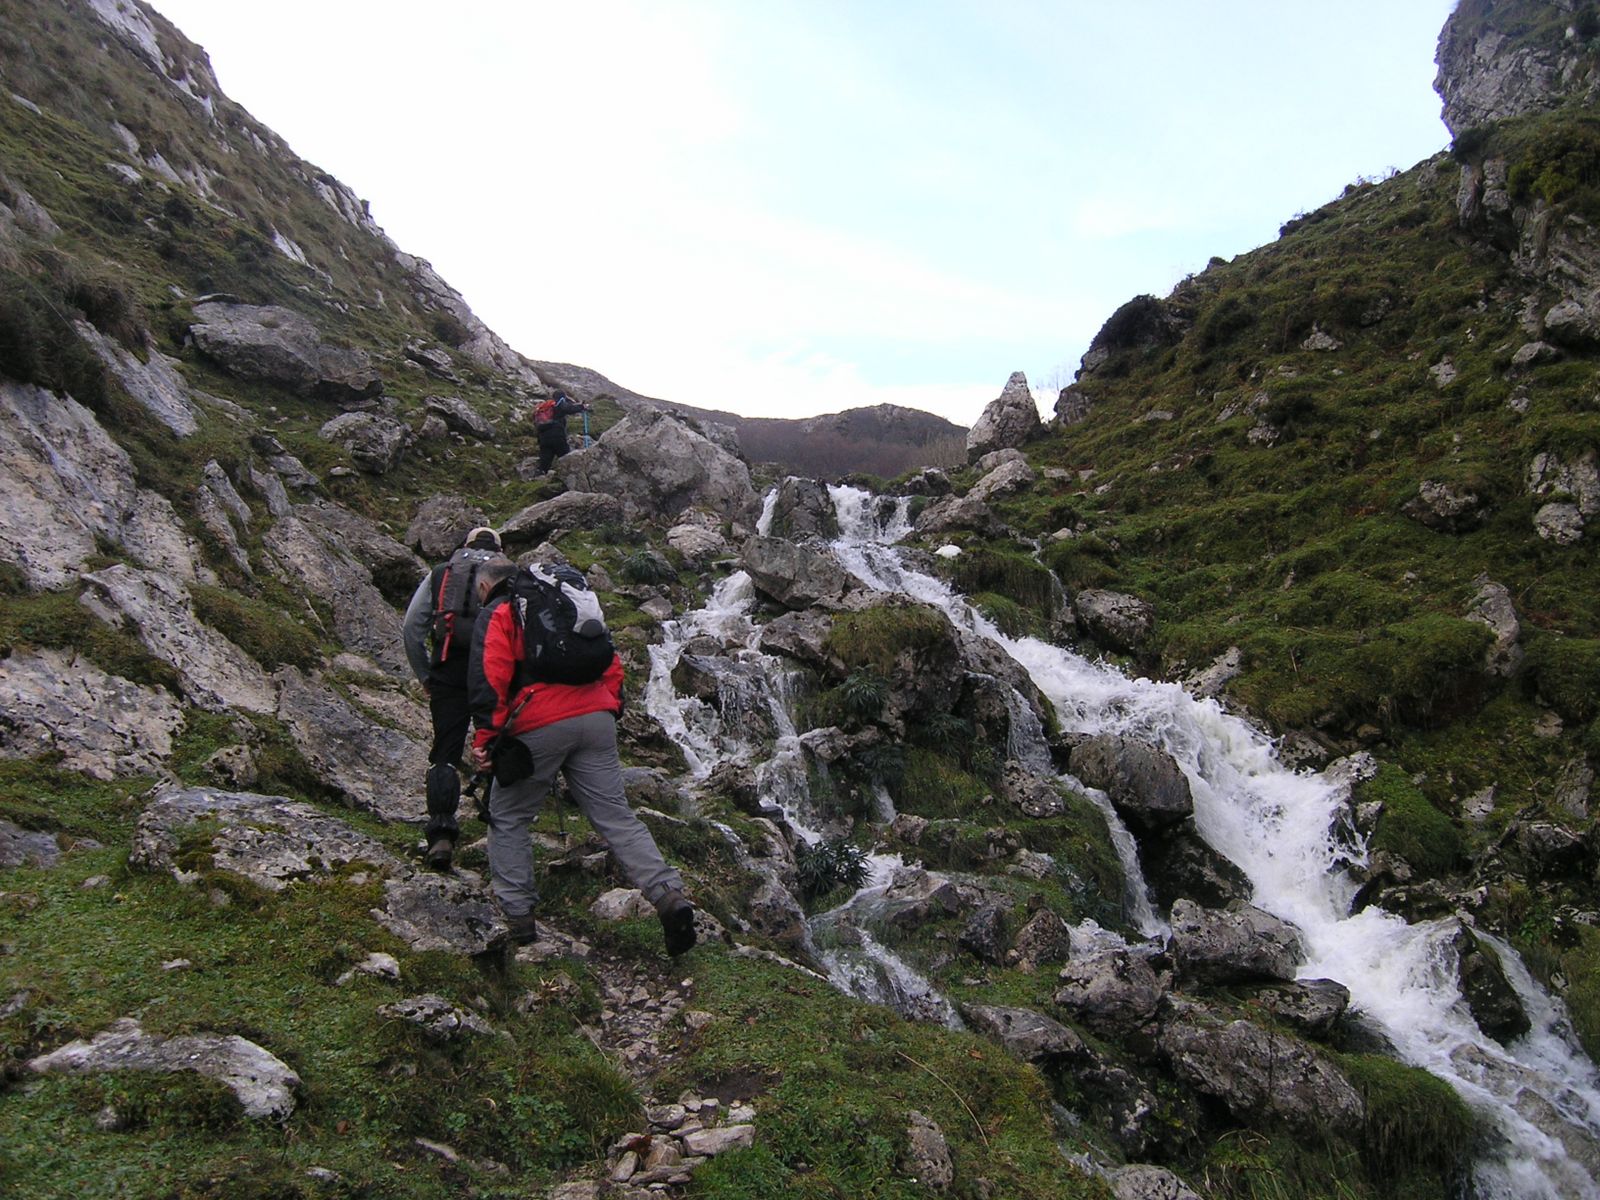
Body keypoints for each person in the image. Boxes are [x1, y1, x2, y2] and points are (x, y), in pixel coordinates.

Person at [466, 558, 696, 952]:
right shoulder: (569, 604)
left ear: (486, 587)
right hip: (595, 718)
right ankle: (668, 895)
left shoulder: (502, 612)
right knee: (616, 816)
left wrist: (486, 739)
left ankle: (518, 917)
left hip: (538, 721)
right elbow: (611, 660)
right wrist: (609, 708)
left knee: (509, 815)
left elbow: (491, 676)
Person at [401, 526, 511, 871]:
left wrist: (425, 675)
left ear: (465, 546)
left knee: (445, 752)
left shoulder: (442, 573)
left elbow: (411, 627)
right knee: (497, 745)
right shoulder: (508, 574)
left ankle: (441, 835)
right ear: (498, 548)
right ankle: (502, 832)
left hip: (448, 670)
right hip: (492, 671)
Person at [533, 391, 589, 474]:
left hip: (543, 438)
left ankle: (539, 476)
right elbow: (568, 408)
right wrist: (582, 407)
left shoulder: (546, 407)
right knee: (566, 457)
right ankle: (570, 475)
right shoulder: (559, 403)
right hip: (557, 436)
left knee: (545, 460)